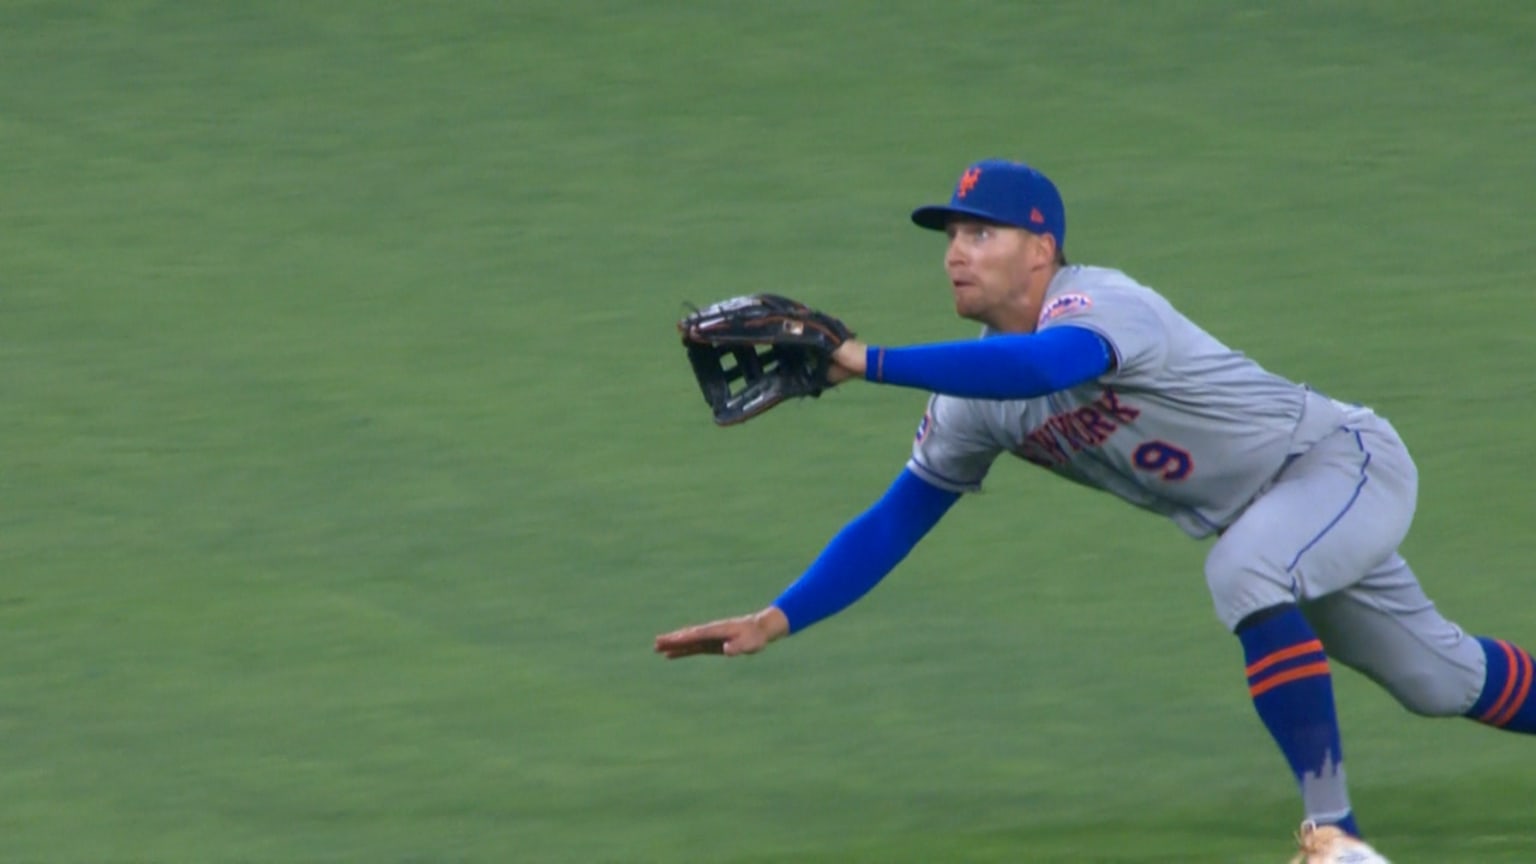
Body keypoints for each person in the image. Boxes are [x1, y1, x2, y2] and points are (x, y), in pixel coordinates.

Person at [653, 158, 1534, 858]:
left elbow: (1046, 365)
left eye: (980, 232)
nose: (956, 251)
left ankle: (1335, 836)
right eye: (951, 235)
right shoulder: (972, 402)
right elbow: (895, 520)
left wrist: (867, 360)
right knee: (1441, 679)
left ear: (1041, 249)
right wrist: (777, 618)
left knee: (1247, 569)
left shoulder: (1103, 301)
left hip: (1338, 467)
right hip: (1276, 516)